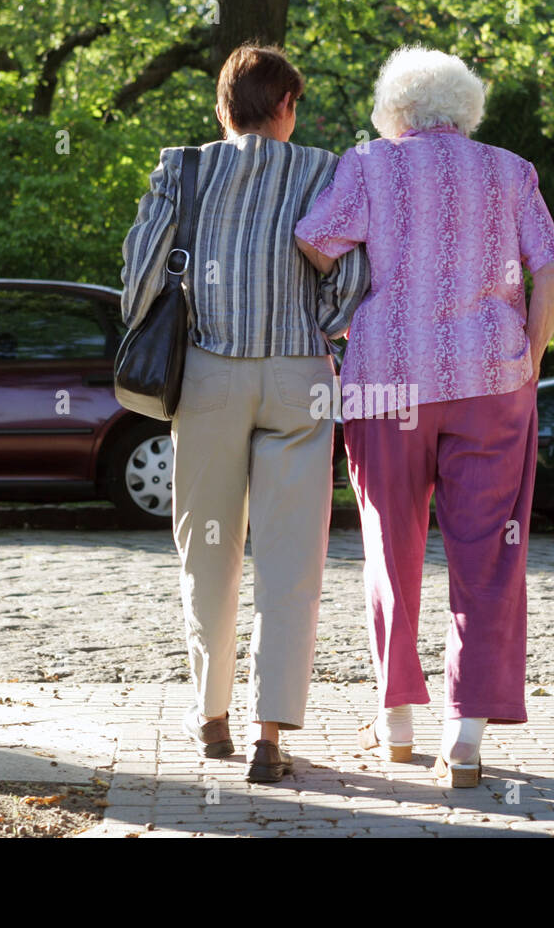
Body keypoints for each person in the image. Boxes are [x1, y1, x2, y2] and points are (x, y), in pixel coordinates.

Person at [295, 46, 554, 787]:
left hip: (388, 379)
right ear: (467, 110)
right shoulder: (510, 171)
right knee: (490, 555)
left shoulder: (368, 164)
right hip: (492, 379)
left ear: (395, 111)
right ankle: (467, 736)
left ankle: (395, 719)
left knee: (393, 545)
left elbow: (314, 244)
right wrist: (531, 351)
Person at [120, 44, 370, 783]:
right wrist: (317, 324)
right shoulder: (327, 171)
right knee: (292, 561)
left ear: (221, 108)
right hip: (299, 377)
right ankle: (270, 736)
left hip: (209, 375)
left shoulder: (183, 169)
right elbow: (350, 275)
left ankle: (211, 717)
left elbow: (138, 275)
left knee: (207, 551)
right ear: (287, 106)